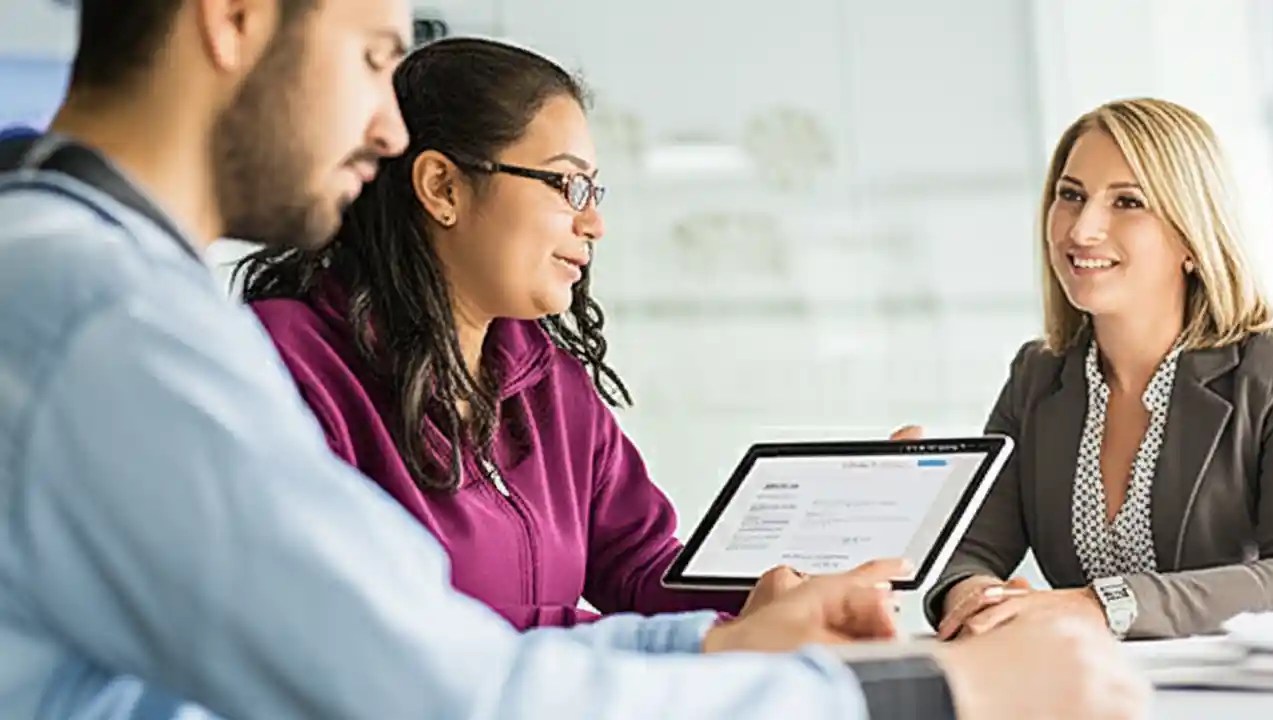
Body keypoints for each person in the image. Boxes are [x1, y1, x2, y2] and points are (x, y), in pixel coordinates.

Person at [0, 1, 1149, 718]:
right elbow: (444, 688)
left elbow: (598, 591)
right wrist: (922, 696)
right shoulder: (118, 330)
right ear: (235, 17)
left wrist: (760, 609)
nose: (388, 128)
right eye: (367, 55)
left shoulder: (90, 293)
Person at [235, 36, 807, 629]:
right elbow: (366, 626)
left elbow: (643, 570)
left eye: (594, 190)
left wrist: (786, 588)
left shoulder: (552, 385)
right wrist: (654, 643)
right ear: (443, 187)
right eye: (567, 185)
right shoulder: (287, 364)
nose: (594, 223)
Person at [926, 97, 1273, 642]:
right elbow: (969, 549)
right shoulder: (1037, 375)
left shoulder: (1268, 371)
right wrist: (976, 597)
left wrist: (1102, 605)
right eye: (1071, 196)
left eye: (1128, 202)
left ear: (1192, 237)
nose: (1082, 229)